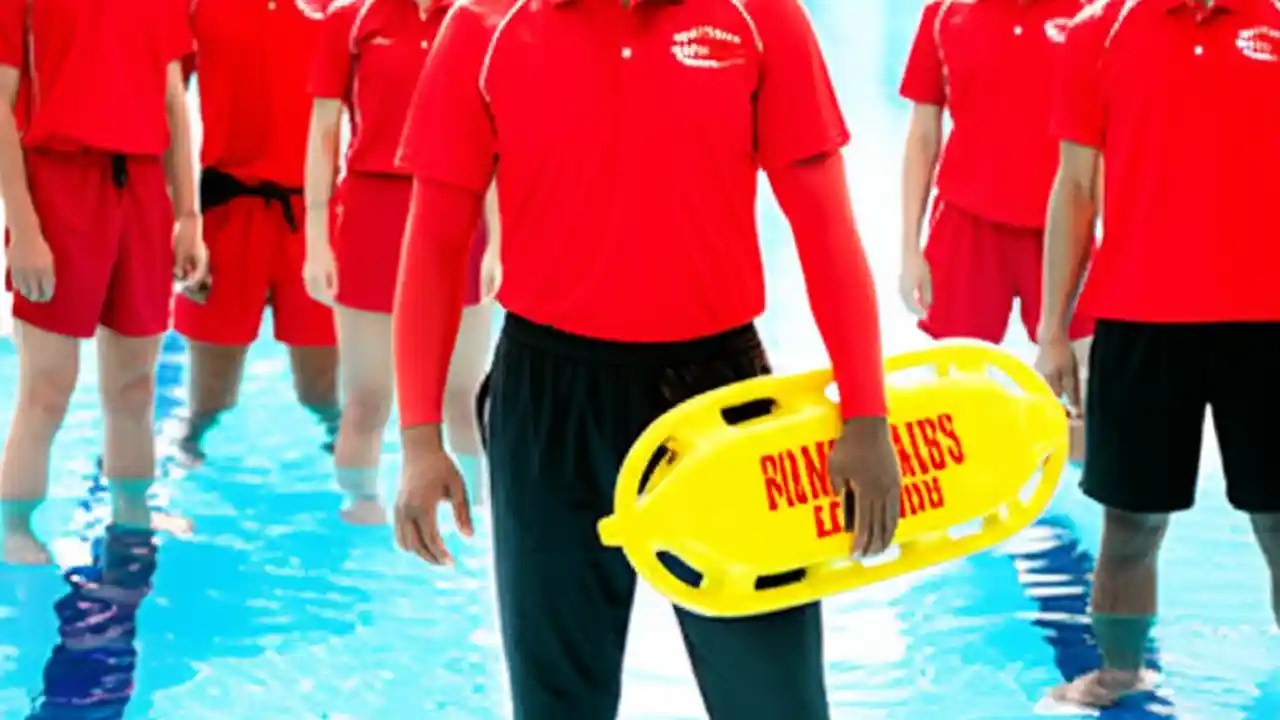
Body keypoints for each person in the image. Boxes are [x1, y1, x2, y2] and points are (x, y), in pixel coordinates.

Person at [392, 1, 902, 718]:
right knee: (558, 704)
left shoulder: (758, 17)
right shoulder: (485, 24)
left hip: (719, 400)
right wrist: (418, 438)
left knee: (775, 702)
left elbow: (824, 226)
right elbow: (435, 245)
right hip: (549, 401)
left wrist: (866, 413)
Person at [1036, 0, 1280, 707]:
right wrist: (1054, 327)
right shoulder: (1097, 32)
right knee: (1130, 522)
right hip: (1140, 319)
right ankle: (1118, 673)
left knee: (1279, 520)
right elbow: (1074, 188)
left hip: (1268, 319)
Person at [0, 0, 206, 564]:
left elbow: (171, 102)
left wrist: (189, 216)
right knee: (46, 387)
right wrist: (24, 227)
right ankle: (13, 528)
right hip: (59, 185)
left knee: (135, 388)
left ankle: (132, 518)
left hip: (141, 190)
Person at [305, 0, 495, 524]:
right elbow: (323, 132)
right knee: (367, 398)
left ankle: (481, 511)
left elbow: (493, 136)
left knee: (463, 396)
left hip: (457, 209)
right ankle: (359, 506)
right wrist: (316, 238)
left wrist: (499, 240)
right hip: (370, 213)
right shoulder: (352, 20)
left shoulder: (476, 19)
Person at [899, 0, 1094, 460]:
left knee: (1088, 386)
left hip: (1061, 229)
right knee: (954, 400)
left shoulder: (1091, 17)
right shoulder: (945, 14)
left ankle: (1087, 505)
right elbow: (923, 133)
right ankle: (968, 509)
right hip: (967, 227)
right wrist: (909, 250)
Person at [174, 0, 341, 467]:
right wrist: (181, 216)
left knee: (322, 397)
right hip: (225, 220)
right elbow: (167, 107)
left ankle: (354, 485)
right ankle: (182, 474)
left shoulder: (338, 11)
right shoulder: (199, 8)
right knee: (208, 402)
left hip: (315, 220)